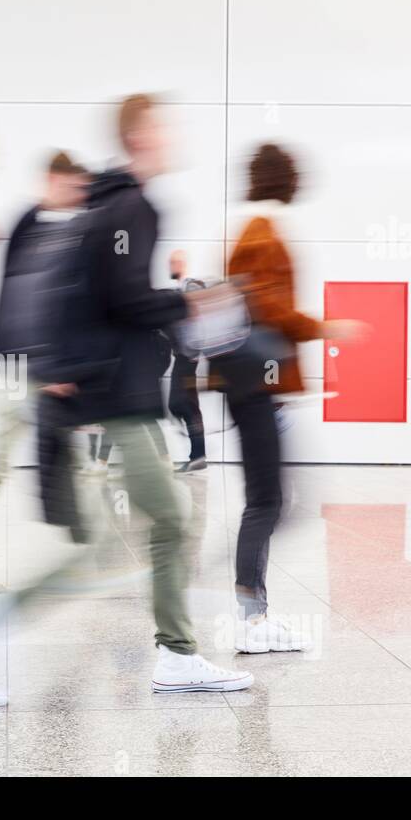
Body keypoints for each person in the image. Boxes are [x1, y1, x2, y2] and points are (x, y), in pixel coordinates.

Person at [39, 95, 253, 693]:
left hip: (113, 390)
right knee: (167, 519)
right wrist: (189, 299)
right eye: (162, 126)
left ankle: (177, 652)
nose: (171, 135)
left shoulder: (104, 200)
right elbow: (124, 300)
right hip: (120, 393)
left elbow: (105, 293)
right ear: (139, 137)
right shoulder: (133, 204)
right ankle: (175, 655)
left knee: (164, 519)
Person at [221, 143, 365, 653]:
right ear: (284, 179)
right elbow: (269, 308)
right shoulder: (264, 231)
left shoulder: (251, 225)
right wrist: (326, 326)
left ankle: (249, 602)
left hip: (255, 384)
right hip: (258, 384)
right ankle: (251, 615)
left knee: (273, 501)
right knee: (268, 501)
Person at [0, 149, 91, 593]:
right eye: (71, 187)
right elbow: (20, 301)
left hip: (47, 372)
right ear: (52, 180)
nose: (77, 197)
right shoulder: (28, 225)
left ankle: (88, 552)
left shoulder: (78, 230)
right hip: (18, 370)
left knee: (81, 465)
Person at [166, 249, 207, 473]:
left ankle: (198, 455)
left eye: (174, 262)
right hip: (183, 354)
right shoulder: (179, 289)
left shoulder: (191, 285)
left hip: (188, 355)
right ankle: (197, 455)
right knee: (184, 404)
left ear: (182, 263)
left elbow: (195, 313)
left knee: (183, 403)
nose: (171, 265)